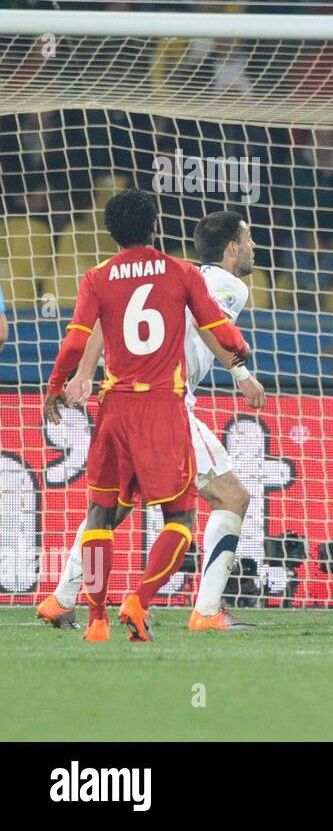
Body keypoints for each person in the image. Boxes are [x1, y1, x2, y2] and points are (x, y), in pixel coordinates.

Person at [38, 213, 266, 633]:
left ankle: (66, 601)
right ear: (232, 247)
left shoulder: (130, 277)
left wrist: (84, 374)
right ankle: (203, 610)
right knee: (228, 500)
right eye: (249, 239)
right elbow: (214, 327)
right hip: (169, 405)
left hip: (119, 402)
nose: (255, 247)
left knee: (108, 511)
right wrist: (243, 371)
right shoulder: (221, 283)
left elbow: (103, 322)